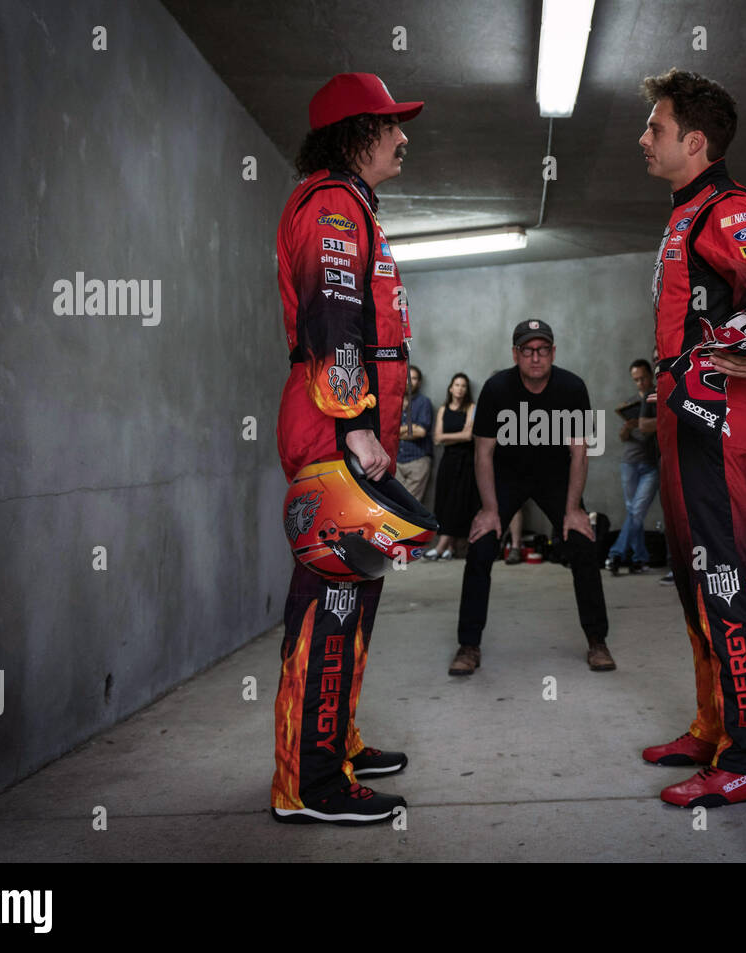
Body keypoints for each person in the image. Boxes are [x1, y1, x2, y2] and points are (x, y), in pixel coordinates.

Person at [637, 68, 746, 809]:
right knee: (695, 578)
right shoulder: (683, 211)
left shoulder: (730, 208)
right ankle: (713, 724)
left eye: (656, 128)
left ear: (694, 142)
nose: (645, 139)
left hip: (717, 414)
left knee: (729, 581)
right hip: (679, 414)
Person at [271, 72, 423, 825]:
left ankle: (336, 741)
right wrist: (356, 425)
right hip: (337, 429)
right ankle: (311, 781)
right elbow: (332, 314)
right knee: (329, 604)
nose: (403, 138)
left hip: (352, 429)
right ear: (356, 132)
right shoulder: (332, 204)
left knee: (353, 599)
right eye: (391, 125)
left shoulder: (355, 206)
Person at [449, 320, 613, 675]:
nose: (535, 357)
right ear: (515, 354)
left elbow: (579, 452)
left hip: (555, 476)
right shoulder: (496, 389)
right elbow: (483, 454)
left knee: (584, 541)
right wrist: (490, 510)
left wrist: (572, 510)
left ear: (553, 352)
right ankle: (468, 644)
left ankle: (597, 641)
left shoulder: (571, 388)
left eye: (542, 350)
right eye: (528, 350)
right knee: (480, 544)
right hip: (508, 476)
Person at [606, 359, 659, 575]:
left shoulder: (657, 399)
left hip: (651, 464)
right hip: (629, 462)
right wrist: (627, 428)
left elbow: (651, 433)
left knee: (636, 511)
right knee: (632, 511)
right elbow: (623, 437)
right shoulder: (630, 403)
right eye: (636, 380)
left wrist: (642, 425)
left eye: (643, 378)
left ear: (651, 376)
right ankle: (639, 558)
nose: (640, 383)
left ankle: (616, 554)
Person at [425, 373, 479, 560]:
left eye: (463, 385)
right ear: (450, 388)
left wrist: (449, 437)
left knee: (458, 503)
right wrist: (457, 435)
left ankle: (441, 547)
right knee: (444, 501)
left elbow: (468, 436)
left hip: (466, 462)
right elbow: (437, 438)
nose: (460, 388)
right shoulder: (442, 409)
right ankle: (449, 546)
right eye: (457, 384)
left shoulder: (471, 408)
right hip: (448, 461)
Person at [397, 364, 434, 501]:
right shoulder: (394, 402)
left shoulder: (424, 402)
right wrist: (411, 426)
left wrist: (398, 431)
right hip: (396, 461)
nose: (409, 381)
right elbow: (387, 432)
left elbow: (421, 432)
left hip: (417, 460)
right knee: (394, 503)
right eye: (407, 378)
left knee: (411, 505)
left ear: (418, 382)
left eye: (413, 378)